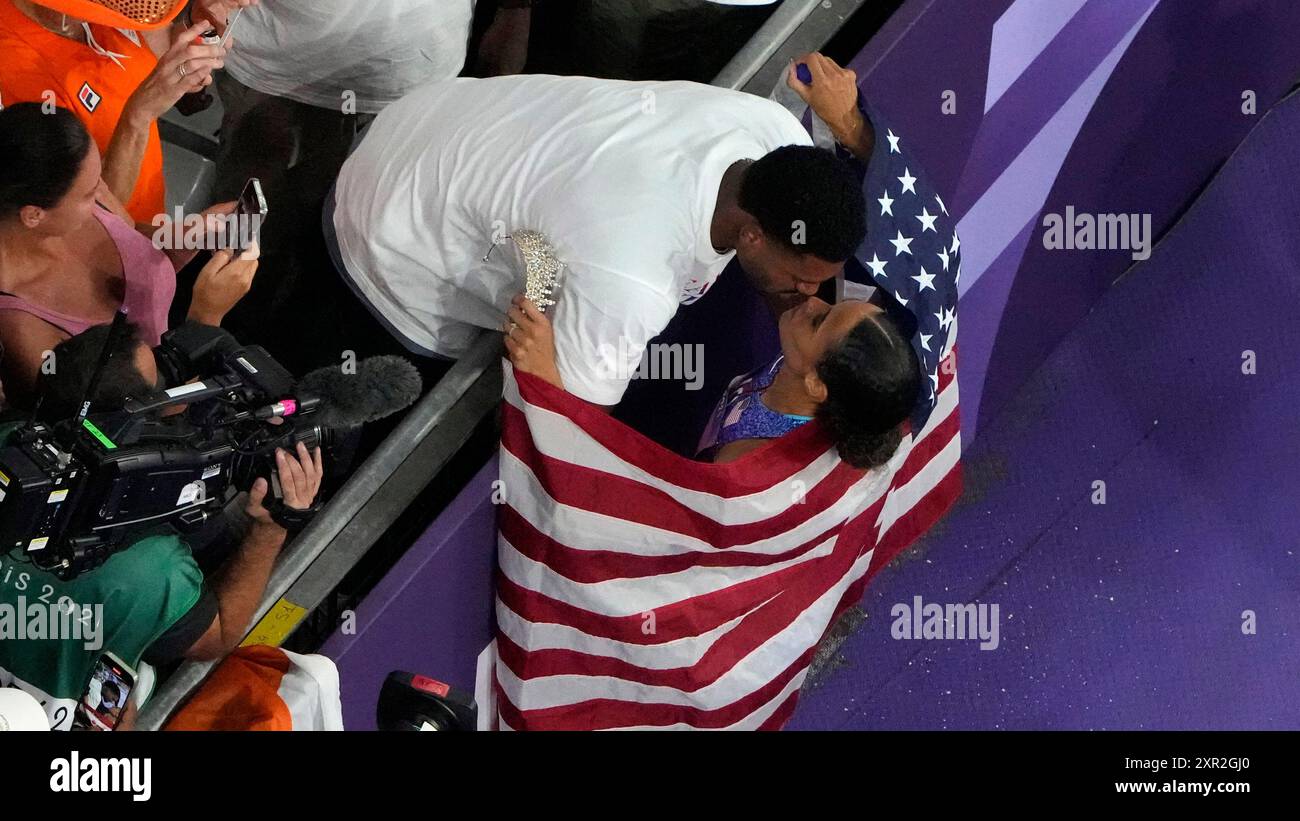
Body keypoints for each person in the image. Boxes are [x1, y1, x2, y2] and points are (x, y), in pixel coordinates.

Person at [327, 72, 867, 407]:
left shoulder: (776, 136)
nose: (807, 293)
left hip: (435, 114)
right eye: (802, 277)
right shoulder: (634, 277)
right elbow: (567, 422)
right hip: (386, 233)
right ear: (750, 235)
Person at [0, 321, 324, 731]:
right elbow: (220, 635)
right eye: (163, 391)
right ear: (139, 423)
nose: (177, 401)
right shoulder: (155, 571)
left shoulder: (9, 438)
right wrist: (272, 527)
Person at [0, 103, 258, 407]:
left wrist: (185, 236)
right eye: (87, 193)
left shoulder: (76, 188)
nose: (101, 190)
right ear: (33, 215)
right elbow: (139, 424)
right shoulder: (23, 333)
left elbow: (130, 233)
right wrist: (205, 320)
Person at [505, 291, 921, 468]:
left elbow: (617, 499)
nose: (811, 301)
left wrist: (550, 386)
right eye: (831, 304)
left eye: (819, 320)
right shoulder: (809, 375)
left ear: (817, 384)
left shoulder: (744, 462)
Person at [206, 0, 532, 209]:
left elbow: (514, 11)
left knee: (334, 188)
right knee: (251, 186)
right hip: (276, 55)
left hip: (398, 71)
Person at [0, 0, 236, 223]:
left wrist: (199, 28)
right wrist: (139, 116)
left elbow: (157, 48)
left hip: (149, 209)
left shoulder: (120, 8)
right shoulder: (15, 72)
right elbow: (85, 215)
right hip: (107, 245)